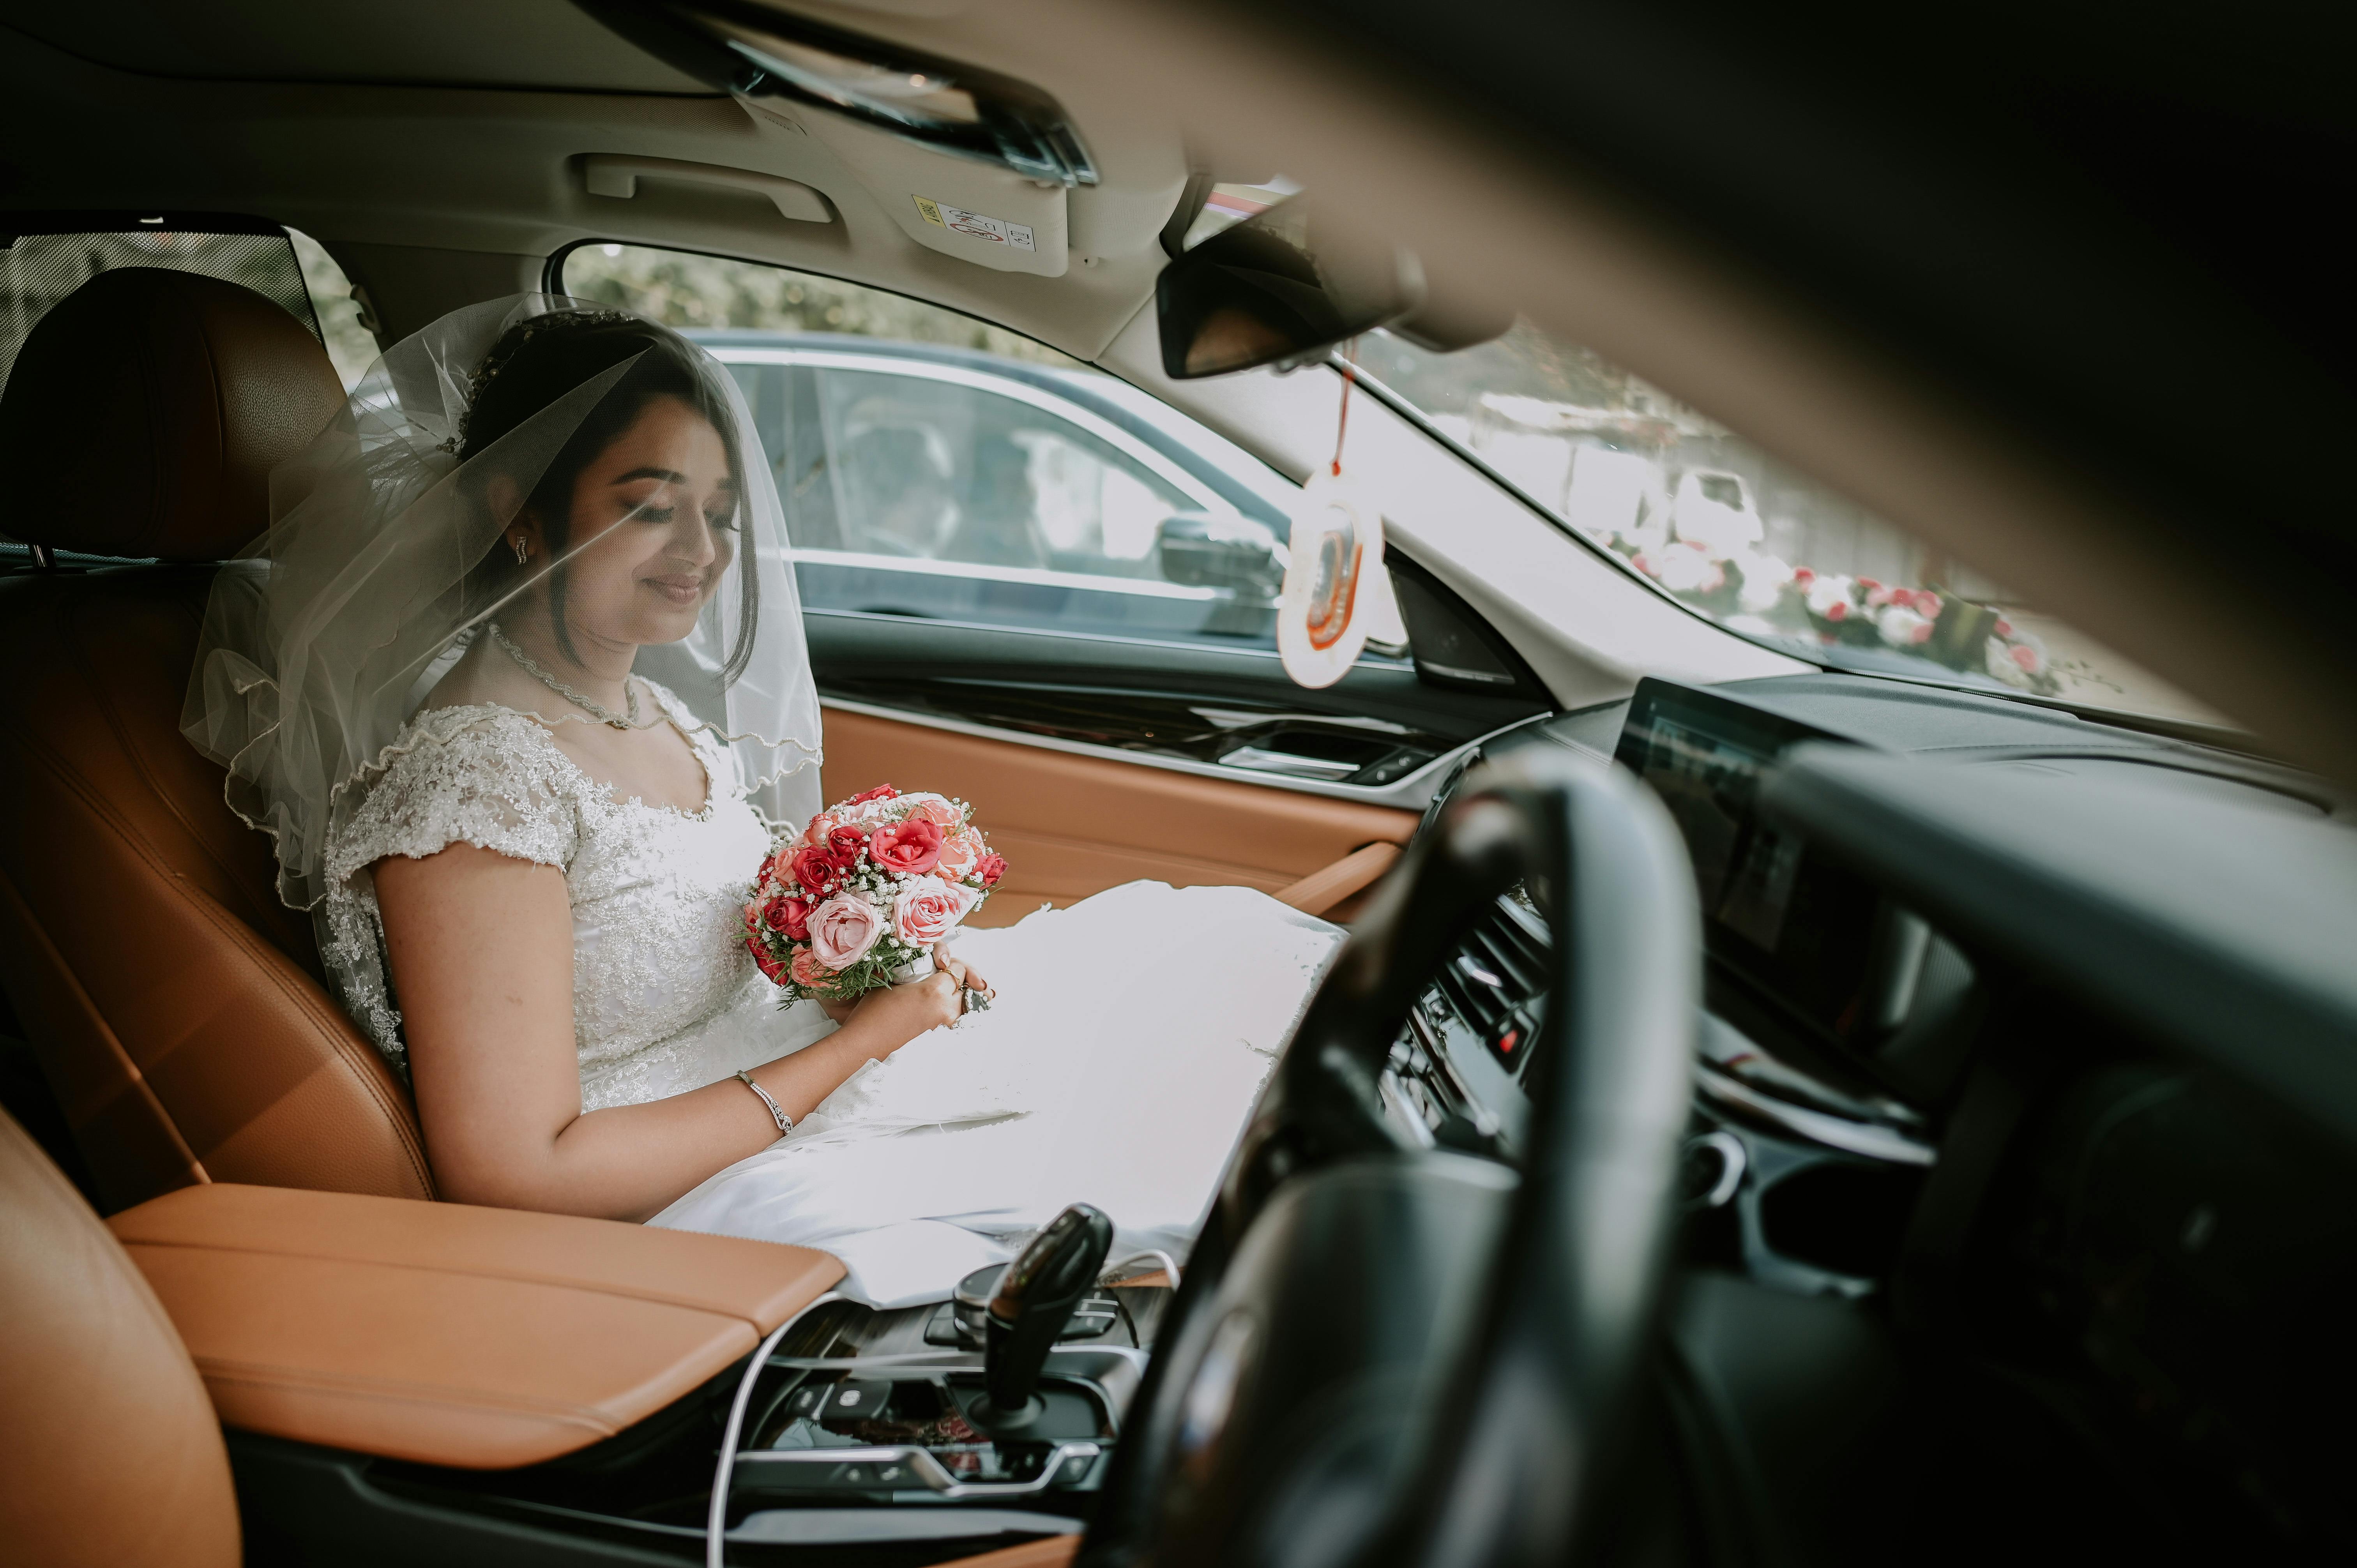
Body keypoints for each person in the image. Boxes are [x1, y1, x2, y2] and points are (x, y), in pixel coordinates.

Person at [184, 298, 1341, 1307]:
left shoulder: (656, 717)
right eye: (650, 506)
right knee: (1185, 1164)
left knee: (1208, 974)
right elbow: (519, 1172)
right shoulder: (475, 781)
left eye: (719, 511)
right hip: (706, 1194)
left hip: (803, 1083)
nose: (704, 549)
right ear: (516, 512)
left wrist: (879, 972)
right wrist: (866, 1044)